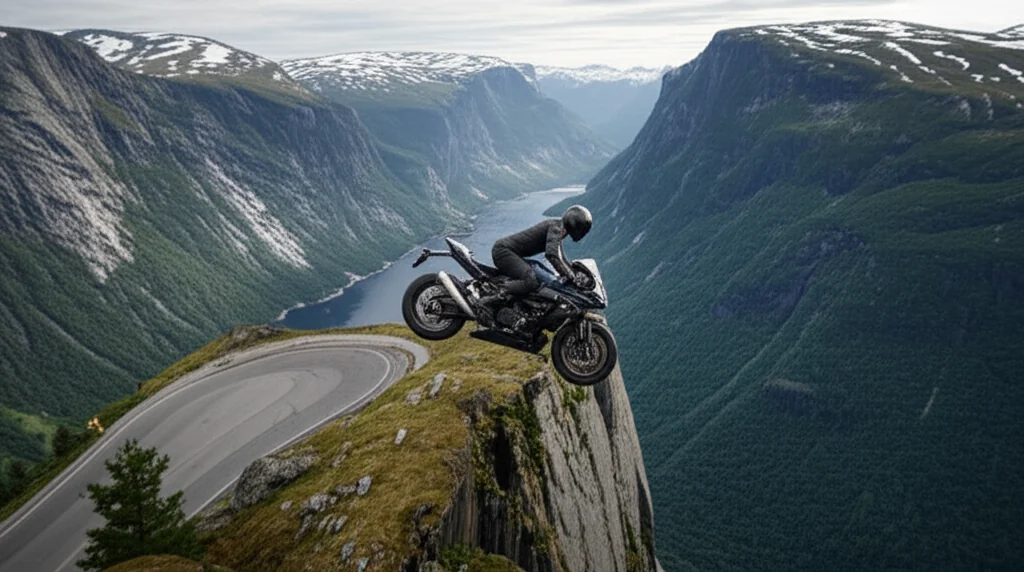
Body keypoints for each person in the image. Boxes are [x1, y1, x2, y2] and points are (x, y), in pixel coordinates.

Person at [474, 205, 592, 325]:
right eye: (582, 228)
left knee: (538, 277)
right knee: (531, 280)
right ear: (575, 224)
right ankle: (490, 299)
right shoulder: (556, 227)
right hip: (503, 251)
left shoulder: (558, 228)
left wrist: (572, 273)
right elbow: (552, 255)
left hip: (509, 252)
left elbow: (561, 258)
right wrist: (570, 275)